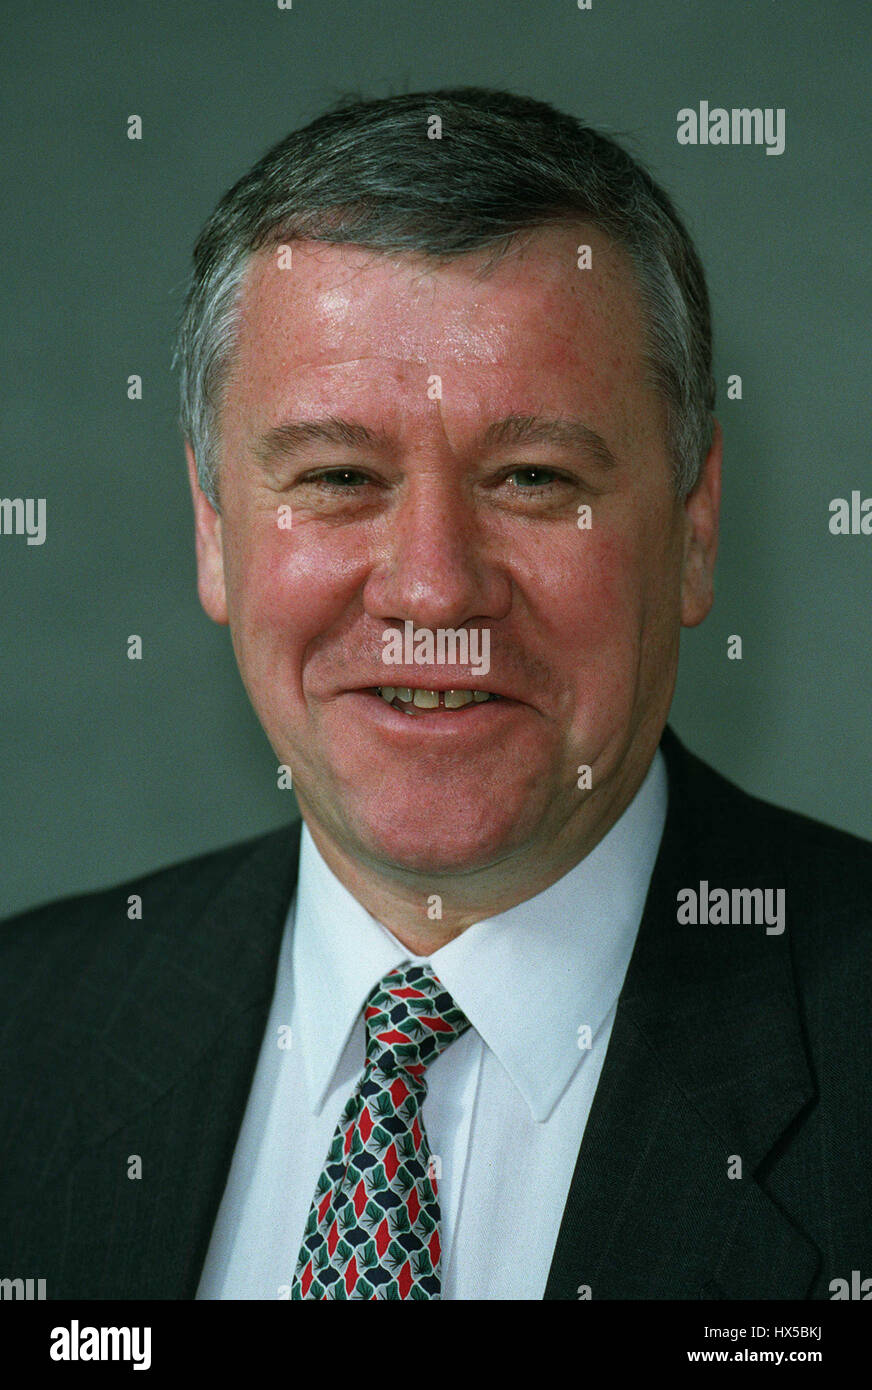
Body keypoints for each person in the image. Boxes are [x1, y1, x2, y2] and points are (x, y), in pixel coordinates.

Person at [1, 88, 869, 1301]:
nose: (432, 588)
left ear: (692, 526)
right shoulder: (26, 1031)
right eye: (338, 476)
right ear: (212, 528)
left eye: (531, 476)